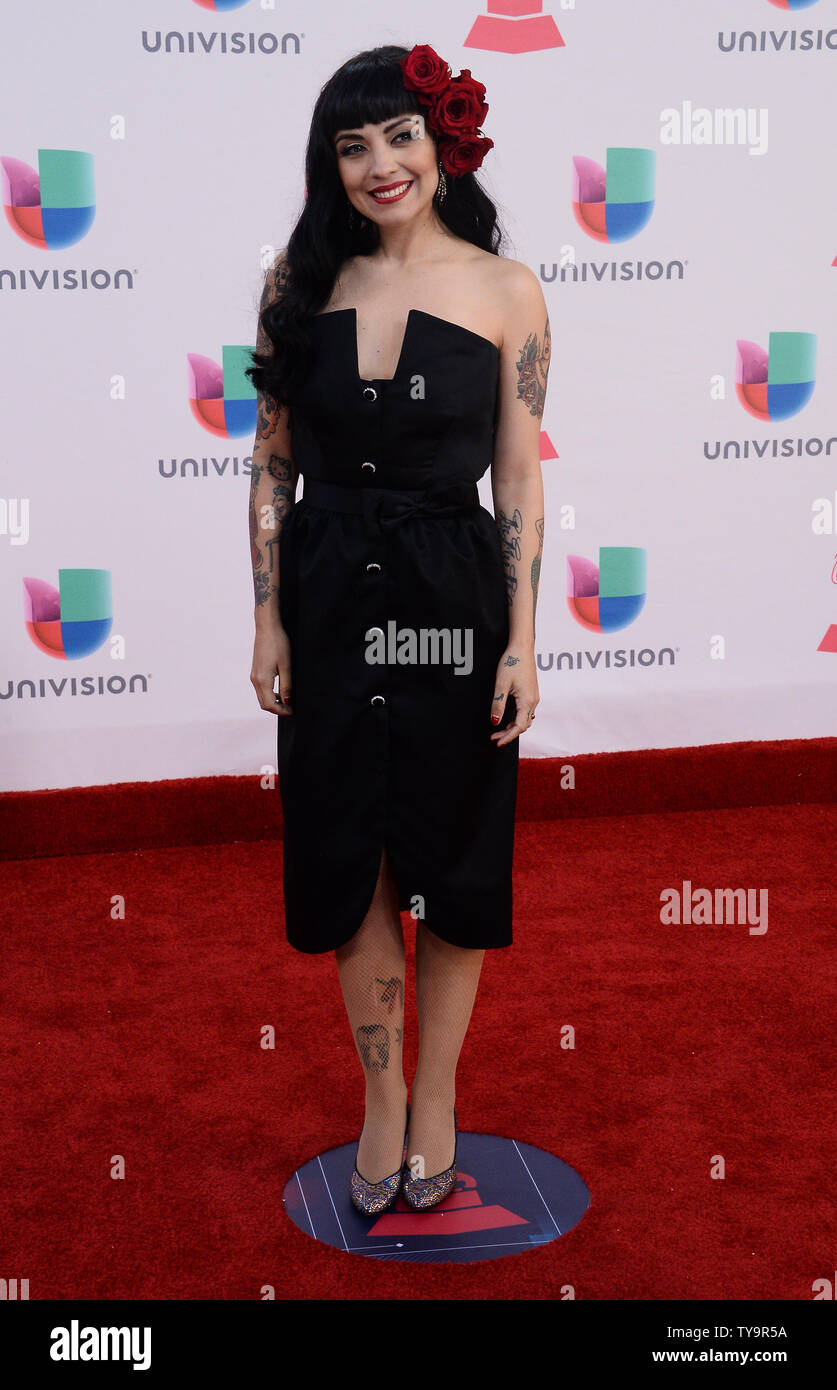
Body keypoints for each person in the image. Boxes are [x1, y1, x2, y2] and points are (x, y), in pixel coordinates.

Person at [246, 42, 549, 1215]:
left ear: (444, 143)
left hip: (453, 598)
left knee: (455, 855)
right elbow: (271, 468)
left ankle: (439, 1096)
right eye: (352, 144)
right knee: (349, 855)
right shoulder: (295, 280)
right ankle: (381, 1099)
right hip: (327, 600)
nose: (381, 164)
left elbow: (518, 482)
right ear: (333, 164)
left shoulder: (506, 288)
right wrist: (269, 618)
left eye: (401, 135)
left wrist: (521, 639)